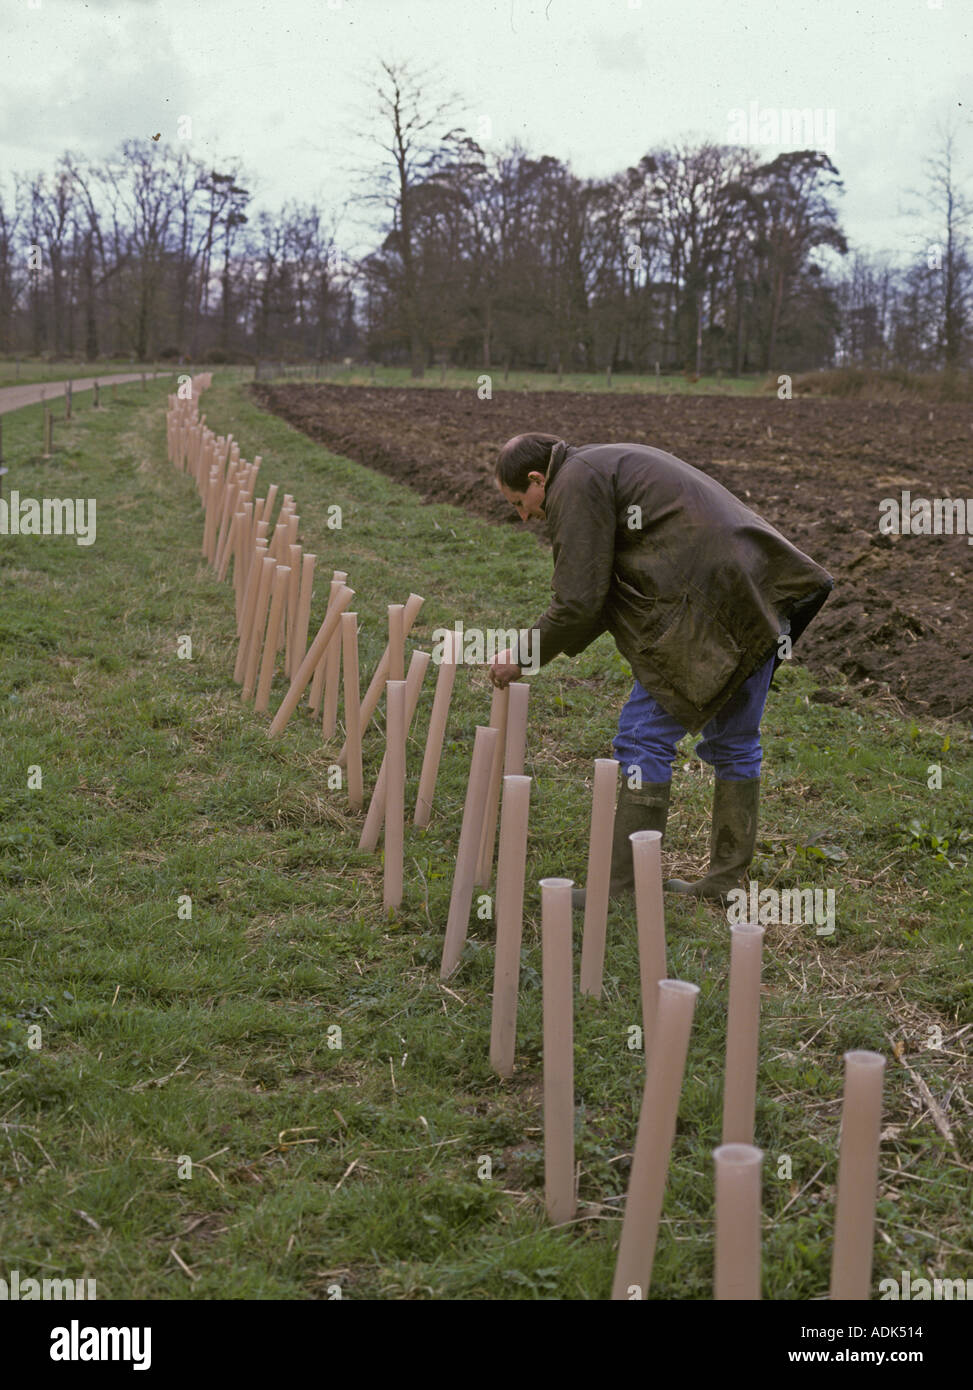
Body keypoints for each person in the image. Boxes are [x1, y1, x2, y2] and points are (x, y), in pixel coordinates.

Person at [489, 433, 834, 906]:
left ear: (536, 478)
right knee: (735, 742)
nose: (523, 516)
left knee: (641, 736)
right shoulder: (599, 465)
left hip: (710, 611)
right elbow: (596, 595)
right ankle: (726, 880)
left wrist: (520, 657)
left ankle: (622, 886)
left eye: (519, 503)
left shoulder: (574, 481)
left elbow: (578, 601)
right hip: (757, 596)